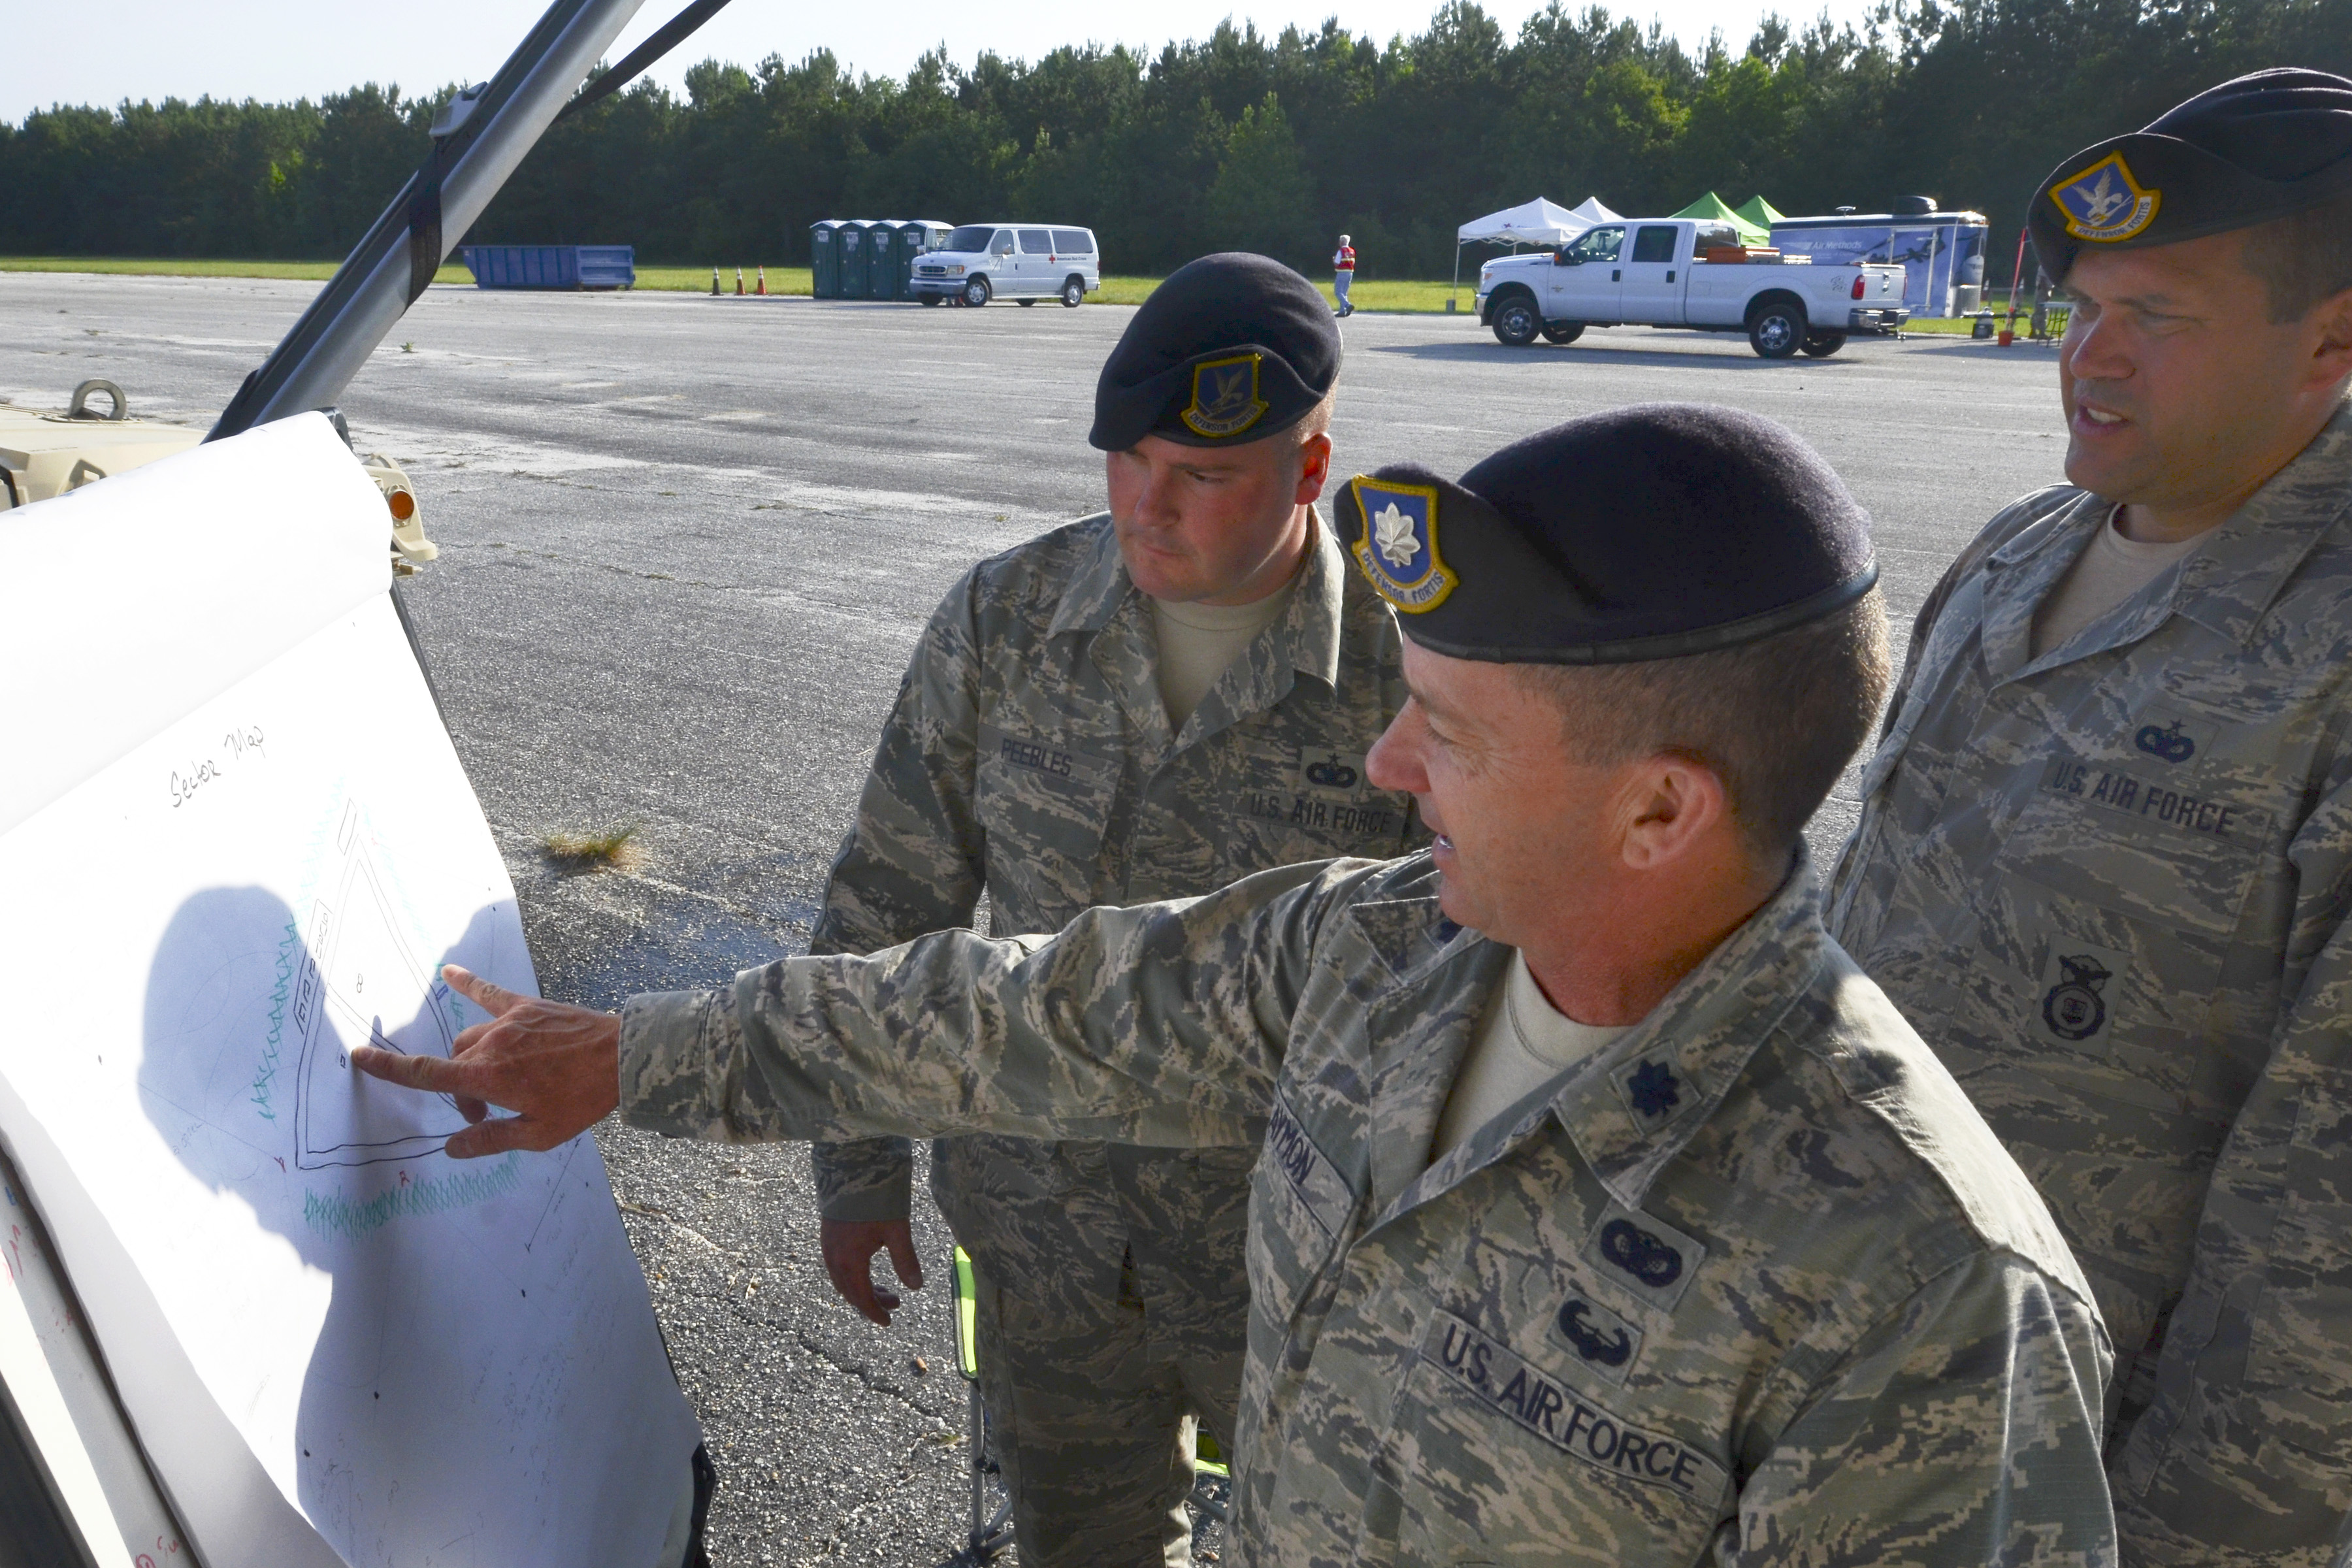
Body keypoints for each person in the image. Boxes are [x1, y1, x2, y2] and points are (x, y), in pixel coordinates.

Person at [358, 404, 2118, 1565]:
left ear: (1660, 809)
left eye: (1445, 731)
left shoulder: (1921, 1284)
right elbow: (1008, 1013)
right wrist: (626, 1059)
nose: (1384, 767)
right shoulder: (1378, 960)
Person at [806, 250, 1425, 1566]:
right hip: (1047, 1254)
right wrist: (857, 1167)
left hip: (1304, 1265)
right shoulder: (1009, 620)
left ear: (1309, 473)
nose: (1151, 506)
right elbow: (888, 899)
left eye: (1204, 476)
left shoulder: (1412, 663)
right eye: (1129, 460)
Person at [1825, 68, 2352, 1564]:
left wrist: (2189, 1537)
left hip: (2088, 1481)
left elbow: (2322, 1244)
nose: (2091, 359)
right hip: (1842, 1400)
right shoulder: (2011, 558)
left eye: (2159, 319)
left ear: (2336, 334)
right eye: (2081, 309)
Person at [1332, 234, 1355, 317]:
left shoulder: (1341, 251)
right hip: (1350, 272)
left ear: (1341, 242)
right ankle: (1342, 311)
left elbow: (1337, 263)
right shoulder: (1352, 251)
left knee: (1338, 292)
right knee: (1344, 292)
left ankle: (1347, 305)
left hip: (1342, 272)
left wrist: (1334, 260)